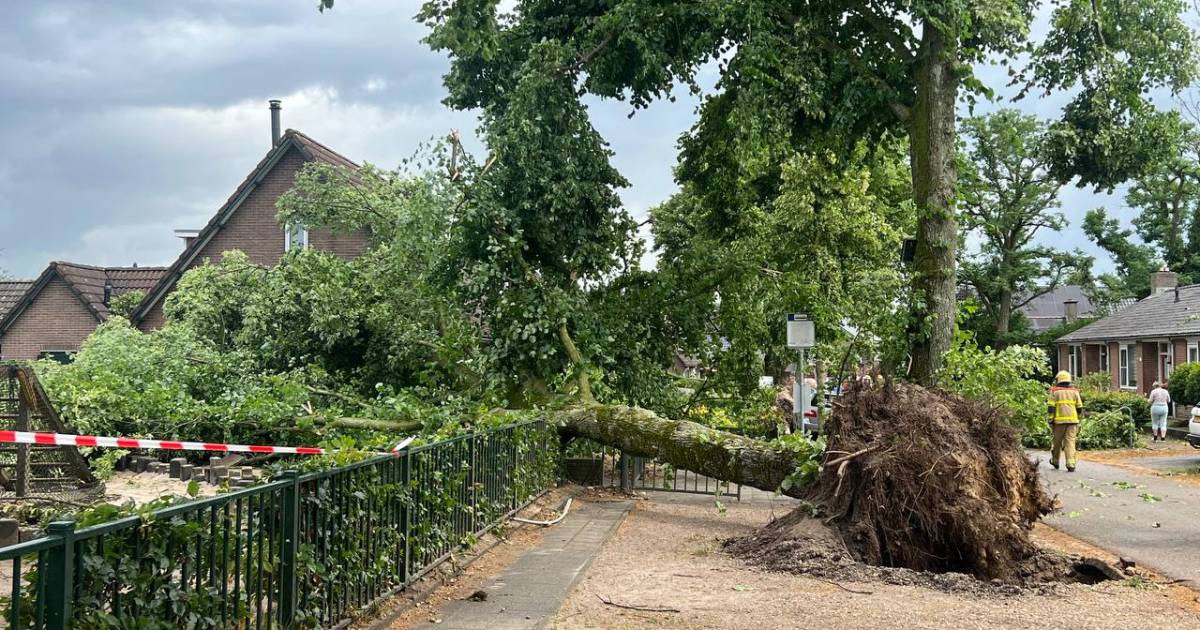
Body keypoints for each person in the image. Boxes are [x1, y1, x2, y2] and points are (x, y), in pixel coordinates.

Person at [1047, 371, 1084, 472]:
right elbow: (1080, 407)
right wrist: (1079, 419)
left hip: (1058, 422)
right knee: (1070, 442)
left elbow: (1051, 408)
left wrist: (1050, 420)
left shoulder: (1054, 391)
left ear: (1058, 379)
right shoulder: (1075, 391)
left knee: (1057, 442)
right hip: (1073, 422)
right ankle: (1070, 464)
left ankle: (1055, 461)